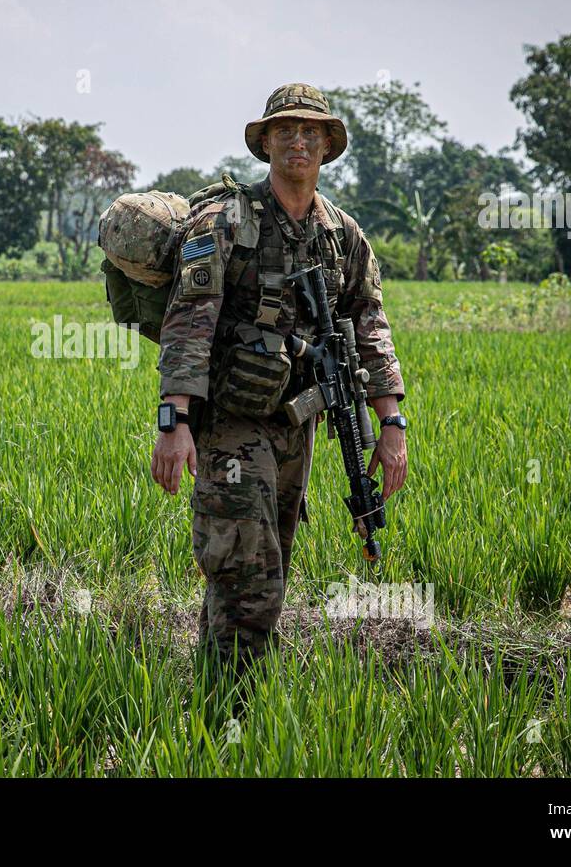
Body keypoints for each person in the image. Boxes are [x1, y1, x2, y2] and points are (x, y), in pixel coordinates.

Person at [150, 83, 408, 689]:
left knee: (266, 569)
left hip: (300, 422)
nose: (299, 140)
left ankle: (217, 700)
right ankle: (230, 715)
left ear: (327, 146)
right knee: (247, 570)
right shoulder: (227, 220)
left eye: (311, 131)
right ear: (265, 143)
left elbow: (370, 325)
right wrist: (174, 422)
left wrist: (390, 425)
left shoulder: (342, 234)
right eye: (285, 130)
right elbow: (190, 319)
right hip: (232, 421)